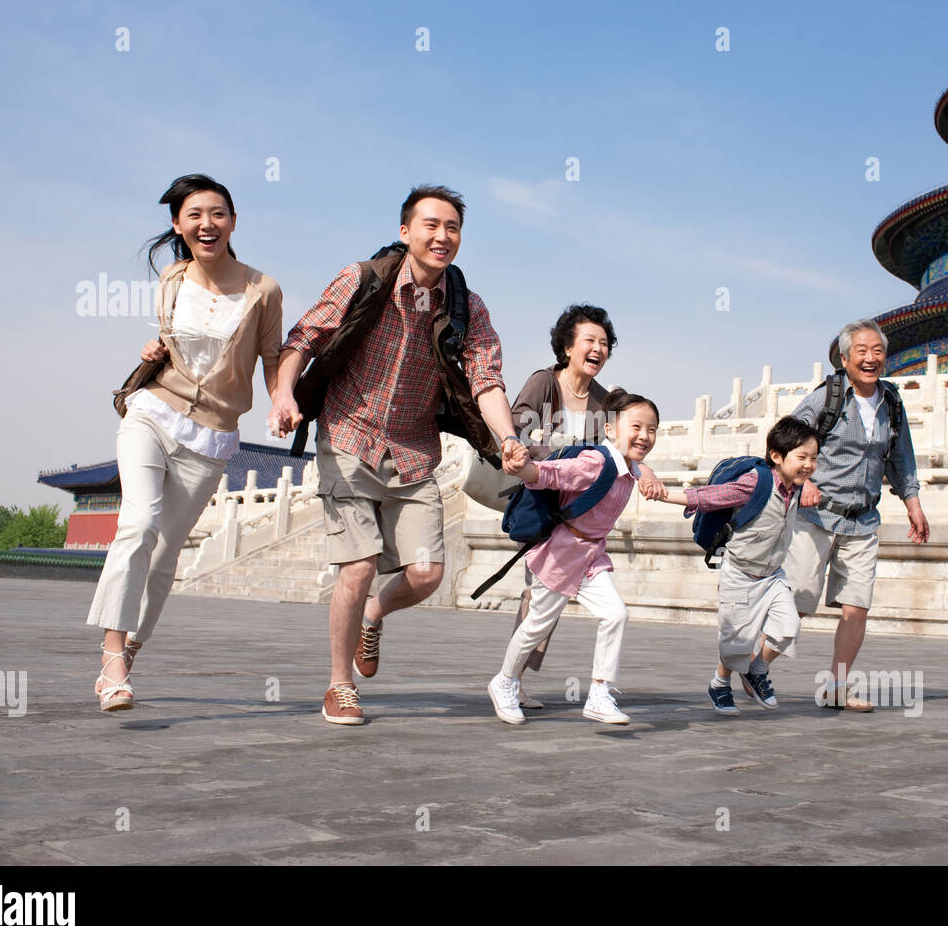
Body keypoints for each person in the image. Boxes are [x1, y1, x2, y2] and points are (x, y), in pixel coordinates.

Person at [268, 185, 528, 727]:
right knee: (358, 565)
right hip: (348, 435)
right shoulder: (362, 279)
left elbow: (486, 378)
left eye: (452, 227)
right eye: (431, 225)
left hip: (413, 450)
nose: (442, 236)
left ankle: (375, 613)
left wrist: (505, 437)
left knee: (429, 574)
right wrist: (284, 394)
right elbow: (304, 338)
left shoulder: (467, 307)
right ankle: (339, 686)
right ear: (406, 230)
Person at [87, 174, 283, 712]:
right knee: (138, 523)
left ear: (233, 222)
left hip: (212, 433)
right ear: (178, 225)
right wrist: (155, 346)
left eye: (217, 213)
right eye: (194, 215)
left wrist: (282, 400)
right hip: (152, 411)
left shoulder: (264, 289)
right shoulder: (172, 278)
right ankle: (110, 659)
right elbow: (173, 346)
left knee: (165, 555)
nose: (206, 224)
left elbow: (272, 358)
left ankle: (130, 649)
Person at [506, 305, 664, 709]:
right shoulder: (546, 383)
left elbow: (620, 448)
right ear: (567, 346)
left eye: (605, 343)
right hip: (538, 492)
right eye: (590, 341)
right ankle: (511, 680)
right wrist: (552, 454)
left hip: (571, 507)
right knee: (539, 593)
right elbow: (517, 427)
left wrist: (644, 469)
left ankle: (514, 679)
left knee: (543, 597)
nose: (598, 349)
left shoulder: (602, 401)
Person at [487, 389, 659, 726]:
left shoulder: (630, 465)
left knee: (615, 615)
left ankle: (599, 693)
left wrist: (650, 475)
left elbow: (639, 468)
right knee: (537, 625)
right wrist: (525, 469)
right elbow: (552, 474)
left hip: (591, 555)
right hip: (560, 554)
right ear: (610, 430)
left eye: (652, 429)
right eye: (636, 427)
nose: (644, 436)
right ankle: (504, 681)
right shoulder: (597, 462)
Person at [787, 319, 930, 711]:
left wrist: (913, 503)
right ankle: (754, 665)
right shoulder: (828, 398)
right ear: (845, 359)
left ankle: (837, 686)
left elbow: (901, 458)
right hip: (816, 516)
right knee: (799, 601)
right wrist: (802, 483)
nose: (870, 359)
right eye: (862, 352)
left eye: (877, 351)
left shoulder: (891, 402)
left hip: (863, 520)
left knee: (856, 608)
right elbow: (785, 438)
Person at [648, 417, 818, 715]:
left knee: (788, 628)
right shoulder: (756, 481)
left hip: (773, 575)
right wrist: (664, 494)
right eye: (802, 457)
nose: (809, 465)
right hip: (739, 574)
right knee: (735, 642)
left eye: (814, 458)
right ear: (777, 456)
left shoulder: (795, 487)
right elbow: (710, 498)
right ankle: (719, 684)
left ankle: (756, 670)